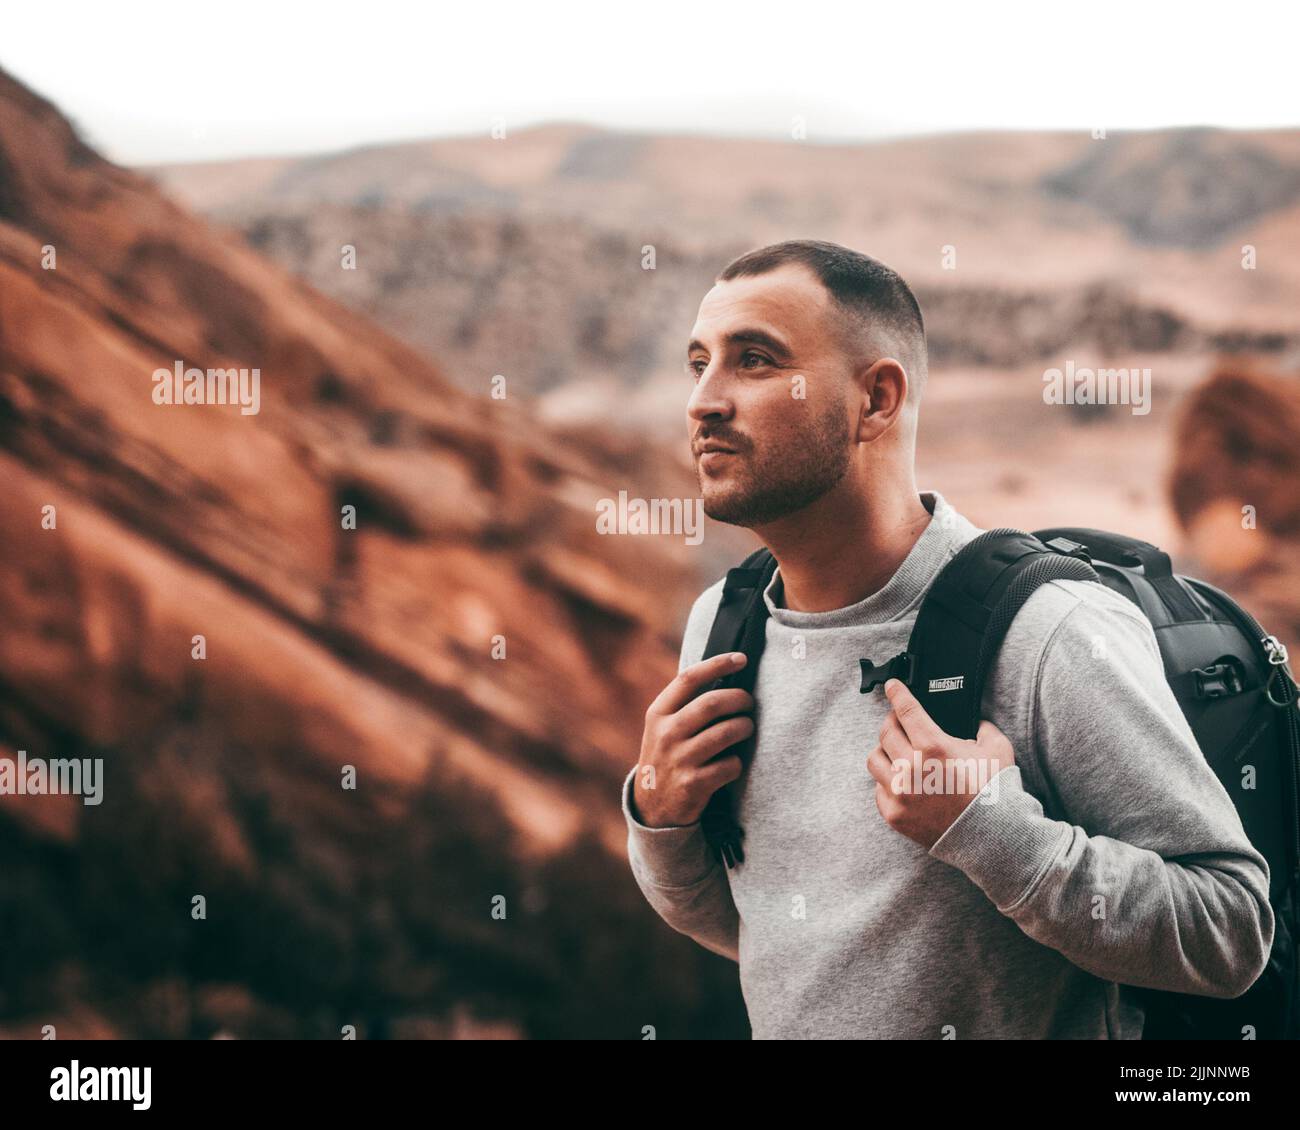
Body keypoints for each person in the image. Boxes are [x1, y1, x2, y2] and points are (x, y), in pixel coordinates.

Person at [622, 239, 1274, 1039]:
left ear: (878, 400)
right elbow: (766, 935)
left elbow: (1232, 931)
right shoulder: (725, 624)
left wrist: (993, 835)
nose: (704, 401)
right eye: (698, 364)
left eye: (754, 361)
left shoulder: (1047, 632)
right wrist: (659, 815)